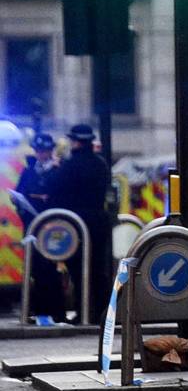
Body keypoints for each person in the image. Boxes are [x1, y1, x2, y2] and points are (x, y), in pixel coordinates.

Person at [46, 124, 111, 325]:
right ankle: (101, 312)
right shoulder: (101, 164)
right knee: (98, 270)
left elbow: (55, 191)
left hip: (76, 225)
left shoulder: (69, 165)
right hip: (99, 223)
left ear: (75, 141)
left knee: (78, 269)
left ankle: (84, 312)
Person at [15, 131, 64, 324]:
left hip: (52, 226)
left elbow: (61, 195)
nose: (41, 154)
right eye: (38, 151)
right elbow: (21, 192)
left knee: (51, 269)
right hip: (32, 225)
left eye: (44, 151)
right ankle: (39, 312)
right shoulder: (29, 171)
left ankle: (56, 312)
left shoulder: (58, 170)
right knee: (35, 269)